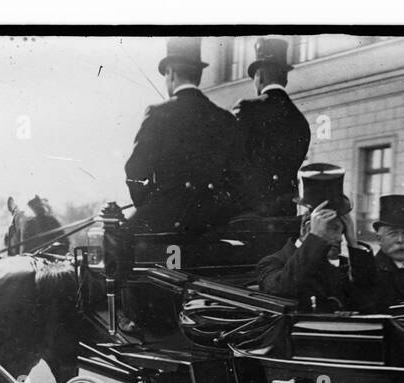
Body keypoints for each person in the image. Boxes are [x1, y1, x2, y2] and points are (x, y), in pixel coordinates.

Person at [124, 37, 242, 242]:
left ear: (170, 72)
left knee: (117, 243)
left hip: (165, 224)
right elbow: (236, 177)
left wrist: (152, 207)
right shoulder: (225, 119)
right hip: (211, 226)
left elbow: (135, 170)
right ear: (198, 74)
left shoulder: (158, 113)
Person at [257, 162, 377, 312]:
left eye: (341, 231)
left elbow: (367, 301)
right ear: (308, 229)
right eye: (331, 229)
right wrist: (315, 238)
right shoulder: (272, 263)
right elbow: (284, 290)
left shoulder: (337, 268)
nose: (340, 239)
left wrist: (353, 243)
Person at [234, 36, 310, 218]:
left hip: (250, 217)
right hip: (285, 216)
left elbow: (233, 158)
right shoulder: (301, 121)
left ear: (259, 76)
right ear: (284, 78)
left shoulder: (247, 108)